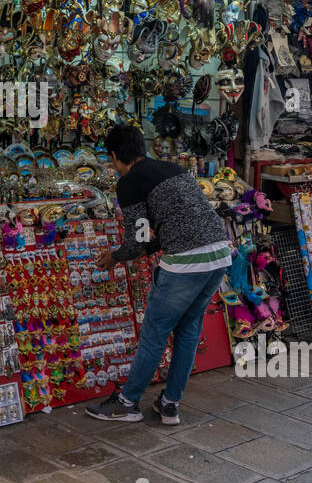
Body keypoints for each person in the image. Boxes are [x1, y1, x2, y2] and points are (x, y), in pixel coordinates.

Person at [86, 124, 232, 426]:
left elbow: (137, 239)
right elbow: (168, 229)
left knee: (155, 332)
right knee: (189, 329)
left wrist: (115, 256)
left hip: (186, 263)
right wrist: (144, 249)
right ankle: (170, 404)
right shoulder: (172, 169)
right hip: (219, 254)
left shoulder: (129, 183)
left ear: (115, 156)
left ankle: (128, 402)